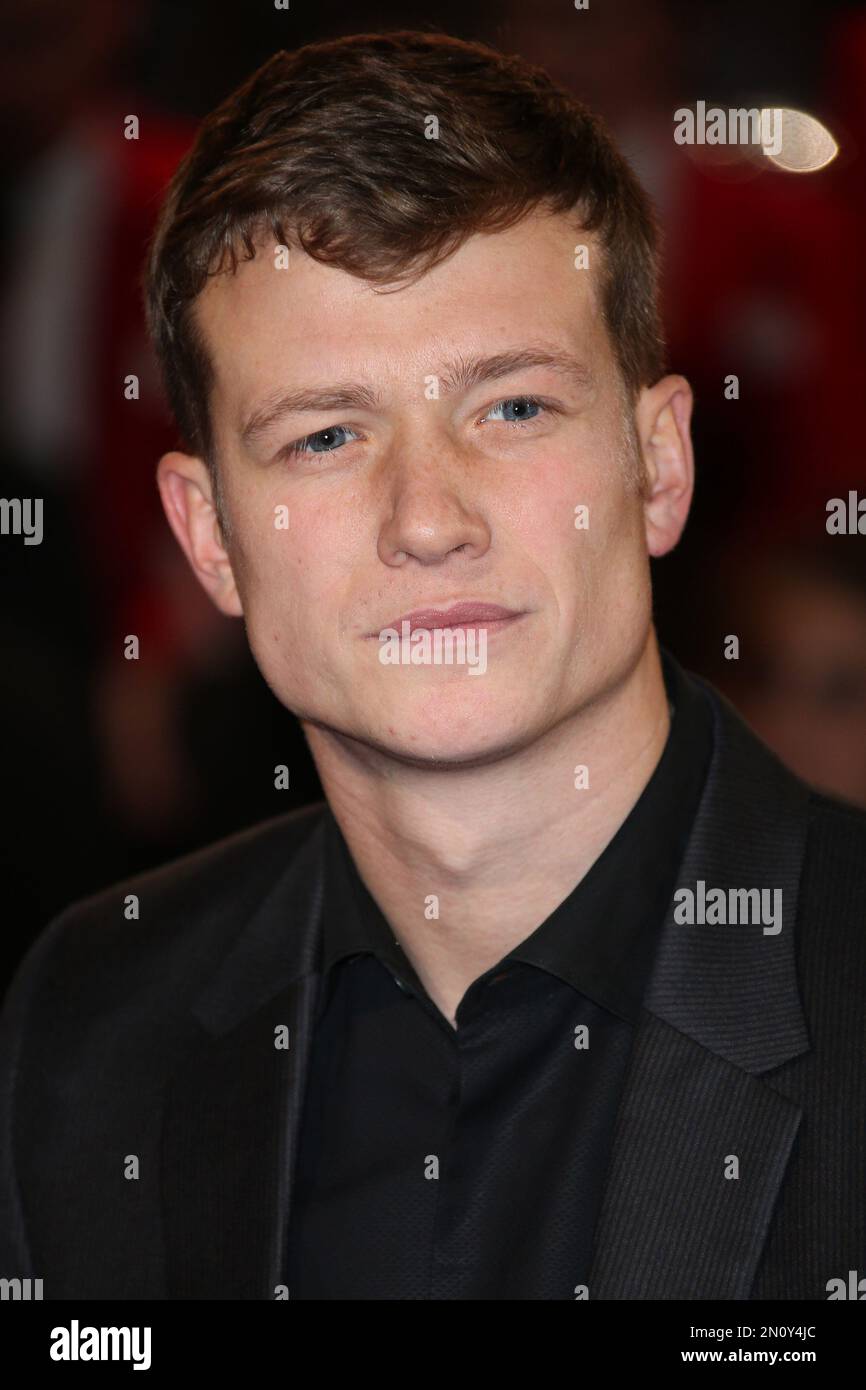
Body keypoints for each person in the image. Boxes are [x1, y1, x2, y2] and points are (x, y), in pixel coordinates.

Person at [1, 30, 863, 1302]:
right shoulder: (91, 1020)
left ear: (658, 468)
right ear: (210, 539)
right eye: (325, 435)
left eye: (509, 408)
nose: (425, 516)